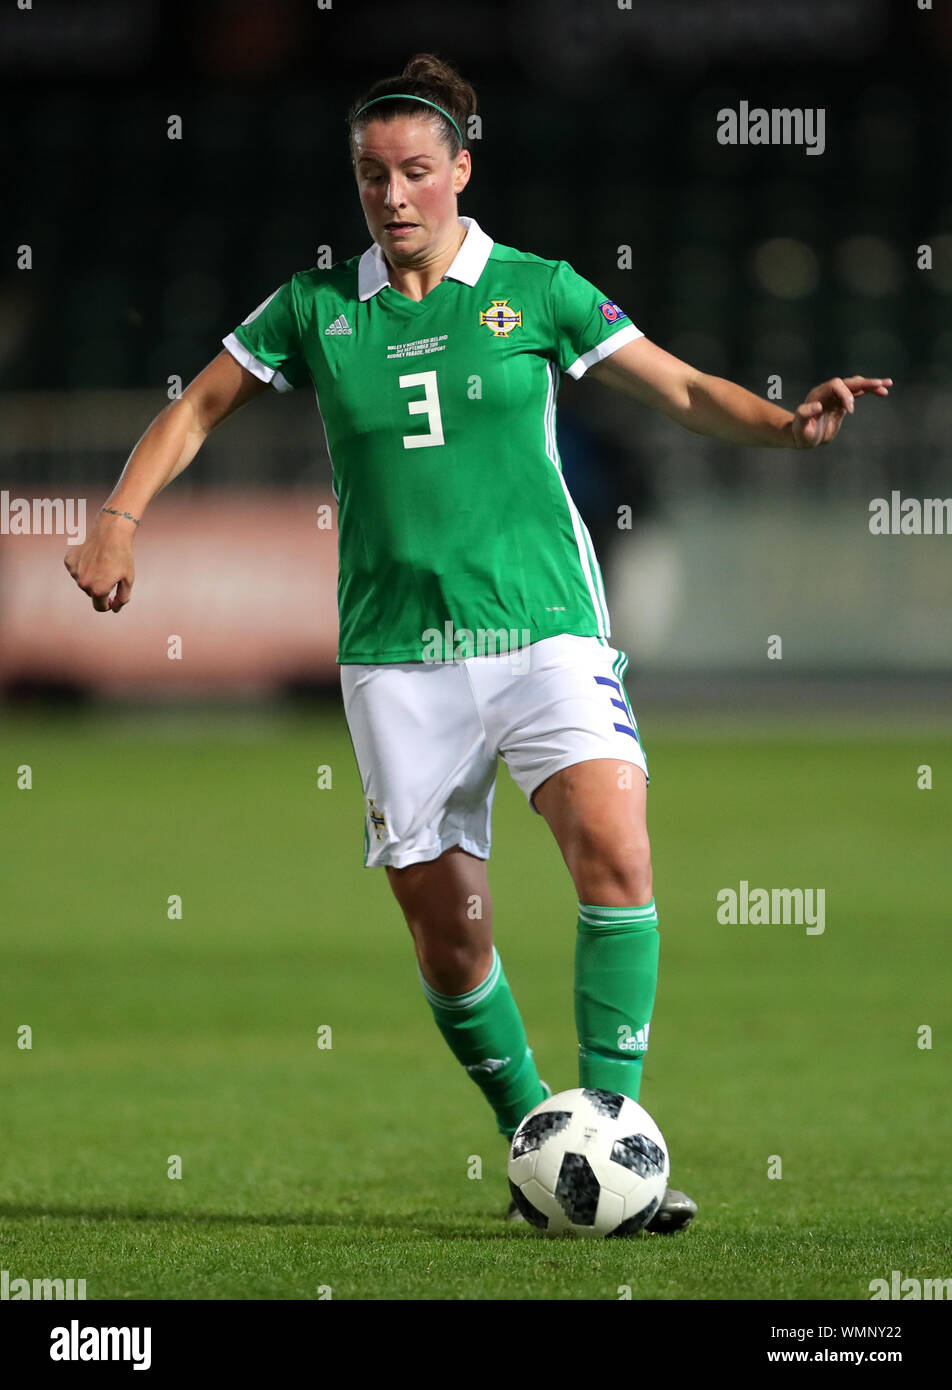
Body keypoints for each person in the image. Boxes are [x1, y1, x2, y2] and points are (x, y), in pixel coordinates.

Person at [65, 52, 891, 1235]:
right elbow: (196, 404)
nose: (392, 195)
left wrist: (785, 423)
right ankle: (532, 1147)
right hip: (396, 655)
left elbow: (685, 388)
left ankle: (611, 1137)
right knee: (451, 943)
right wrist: (117, 516)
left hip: (543, 629)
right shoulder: (317, 307)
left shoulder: (539, 290)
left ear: (460, 168)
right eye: (370, 176)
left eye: (414, 171)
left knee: (614, 851)